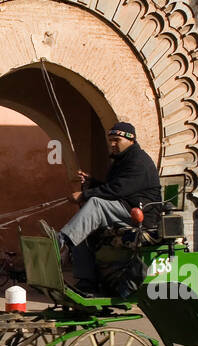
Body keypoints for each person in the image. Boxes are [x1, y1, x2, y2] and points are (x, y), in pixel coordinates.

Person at [59, 121, 161, 295]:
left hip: (141, 213)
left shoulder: (138, 161)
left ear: (131, 140)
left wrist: (84, 194)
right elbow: (113, 187)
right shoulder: (122, 160)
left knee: (95, 204)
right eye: (111, 140)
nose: (112, 144)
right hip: (123, 208)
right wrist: (93, 182)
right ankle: (87, 281)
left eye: (116, 140)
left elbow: (118, 190)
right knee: (84, 229)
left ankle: (60, 242)